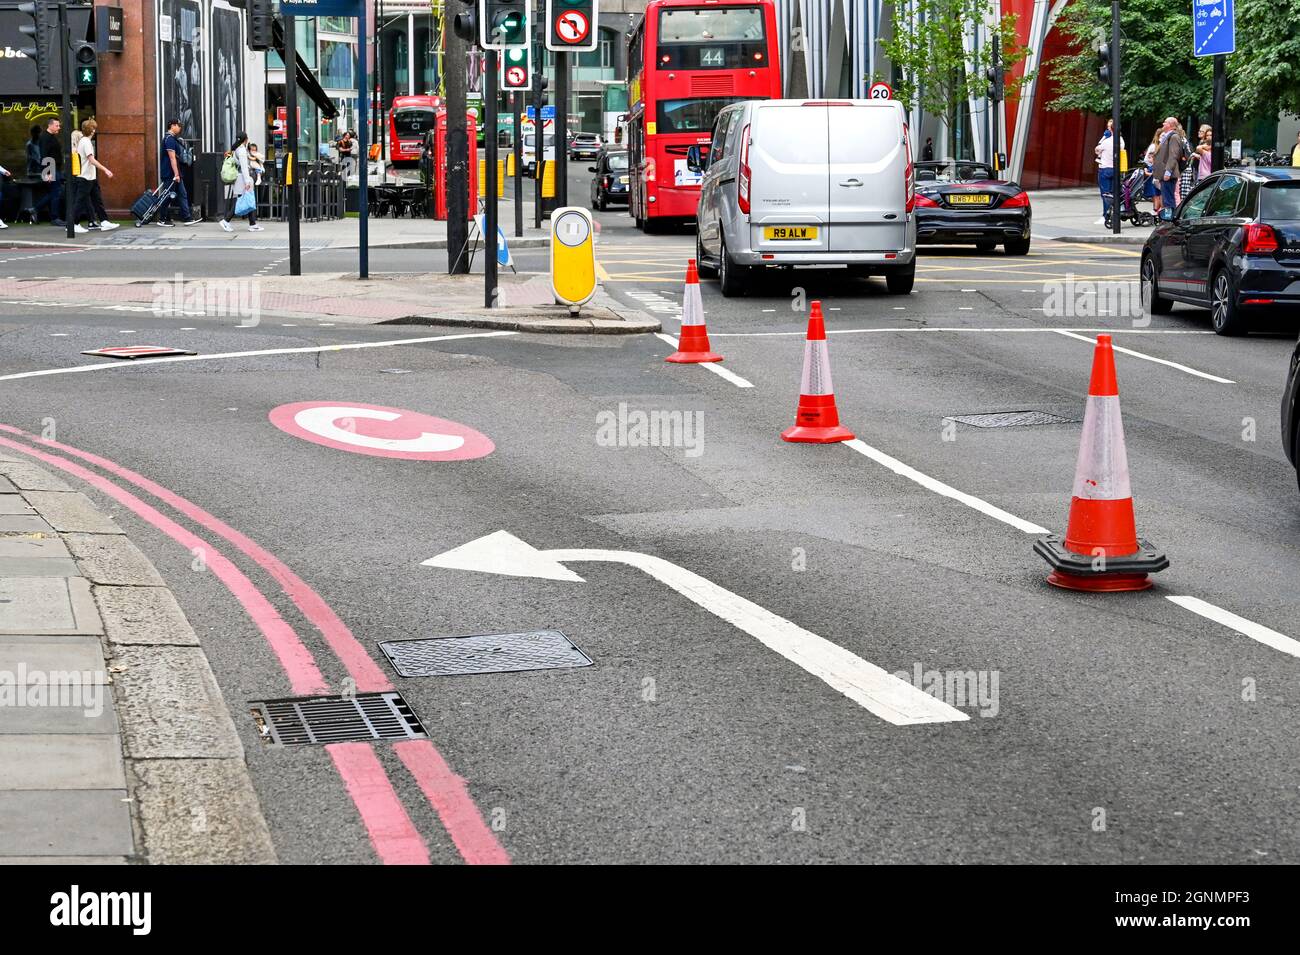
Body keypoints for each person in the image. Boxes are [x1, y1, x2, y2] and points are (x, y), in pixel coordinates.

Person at [72, 119, 118, 234]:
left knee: (97, 200)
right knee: (80, 201)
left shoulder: (83, 141)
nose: (95, 130)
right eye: (94, 128)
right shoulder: (86, 142)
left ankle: (104, 221)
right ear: (91, 130)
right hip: (85, 177)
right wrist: (105, 169)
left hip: (90, 177)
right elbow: (91, 160)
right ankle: (73, 224)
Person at [157, 118, 200, 227]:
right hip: (170, 173)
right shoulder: (169, 139)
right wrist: (176, 174)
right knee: (168, 196)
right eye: (178, 125)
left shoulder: (172, 139)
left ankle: (187, 218)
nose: (180, 127)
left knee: (182, 194)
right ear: (172, 126)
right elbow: (172, 158)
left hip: (175, 173)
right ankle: (162, 219)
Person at [219, 131, 262, 232]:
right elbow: (244, 167)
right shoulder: (241, 150)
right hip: (243, 178)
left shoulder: (236, 149)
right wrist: (247, 182)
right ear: (246, 139)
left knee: (248, 199)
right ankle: (226, 221)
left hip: (240, 177)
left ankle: (253, 224)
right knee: (241, 200)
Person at [1152, 116, 1184, 218]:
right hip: (1164, 173)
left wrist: (1168, 172)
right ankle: (1169, 218)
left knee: (1168, 199)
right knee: (1166, 199)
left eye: (1165, 123)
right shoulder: (1168, 136)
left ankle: (1171, 219)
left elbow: (1173, 155)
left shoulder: (1174, 137)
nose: (1163, 124)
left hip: (1168, 174)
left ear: (1170, 125)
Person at [37, 117, 66, 227]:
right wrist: (47, 173)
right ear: (50, 125)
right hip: (51, 169)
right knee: (55, 193)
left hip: (54, 168)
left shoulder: (52, 137)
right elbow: (44, 155)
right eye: (57, 125)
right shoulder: (45, 138)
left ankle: (34, 209)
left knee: (54, 193)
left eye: (59, 125)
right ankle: (54, 218)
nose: (59, 127)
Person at [1094, 120, 1124, 224]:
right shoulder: (1121, 140)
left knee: (1105, 193)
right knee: (1113, 192)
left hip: (1105, 169)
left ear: (1111, 129)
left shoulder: (1106, 141)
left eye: (1108, 127)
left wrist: (1103, 137)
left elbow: (1097, 149)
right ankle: (1113, 213)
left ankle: (1105, 215)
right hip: (1115, 169)